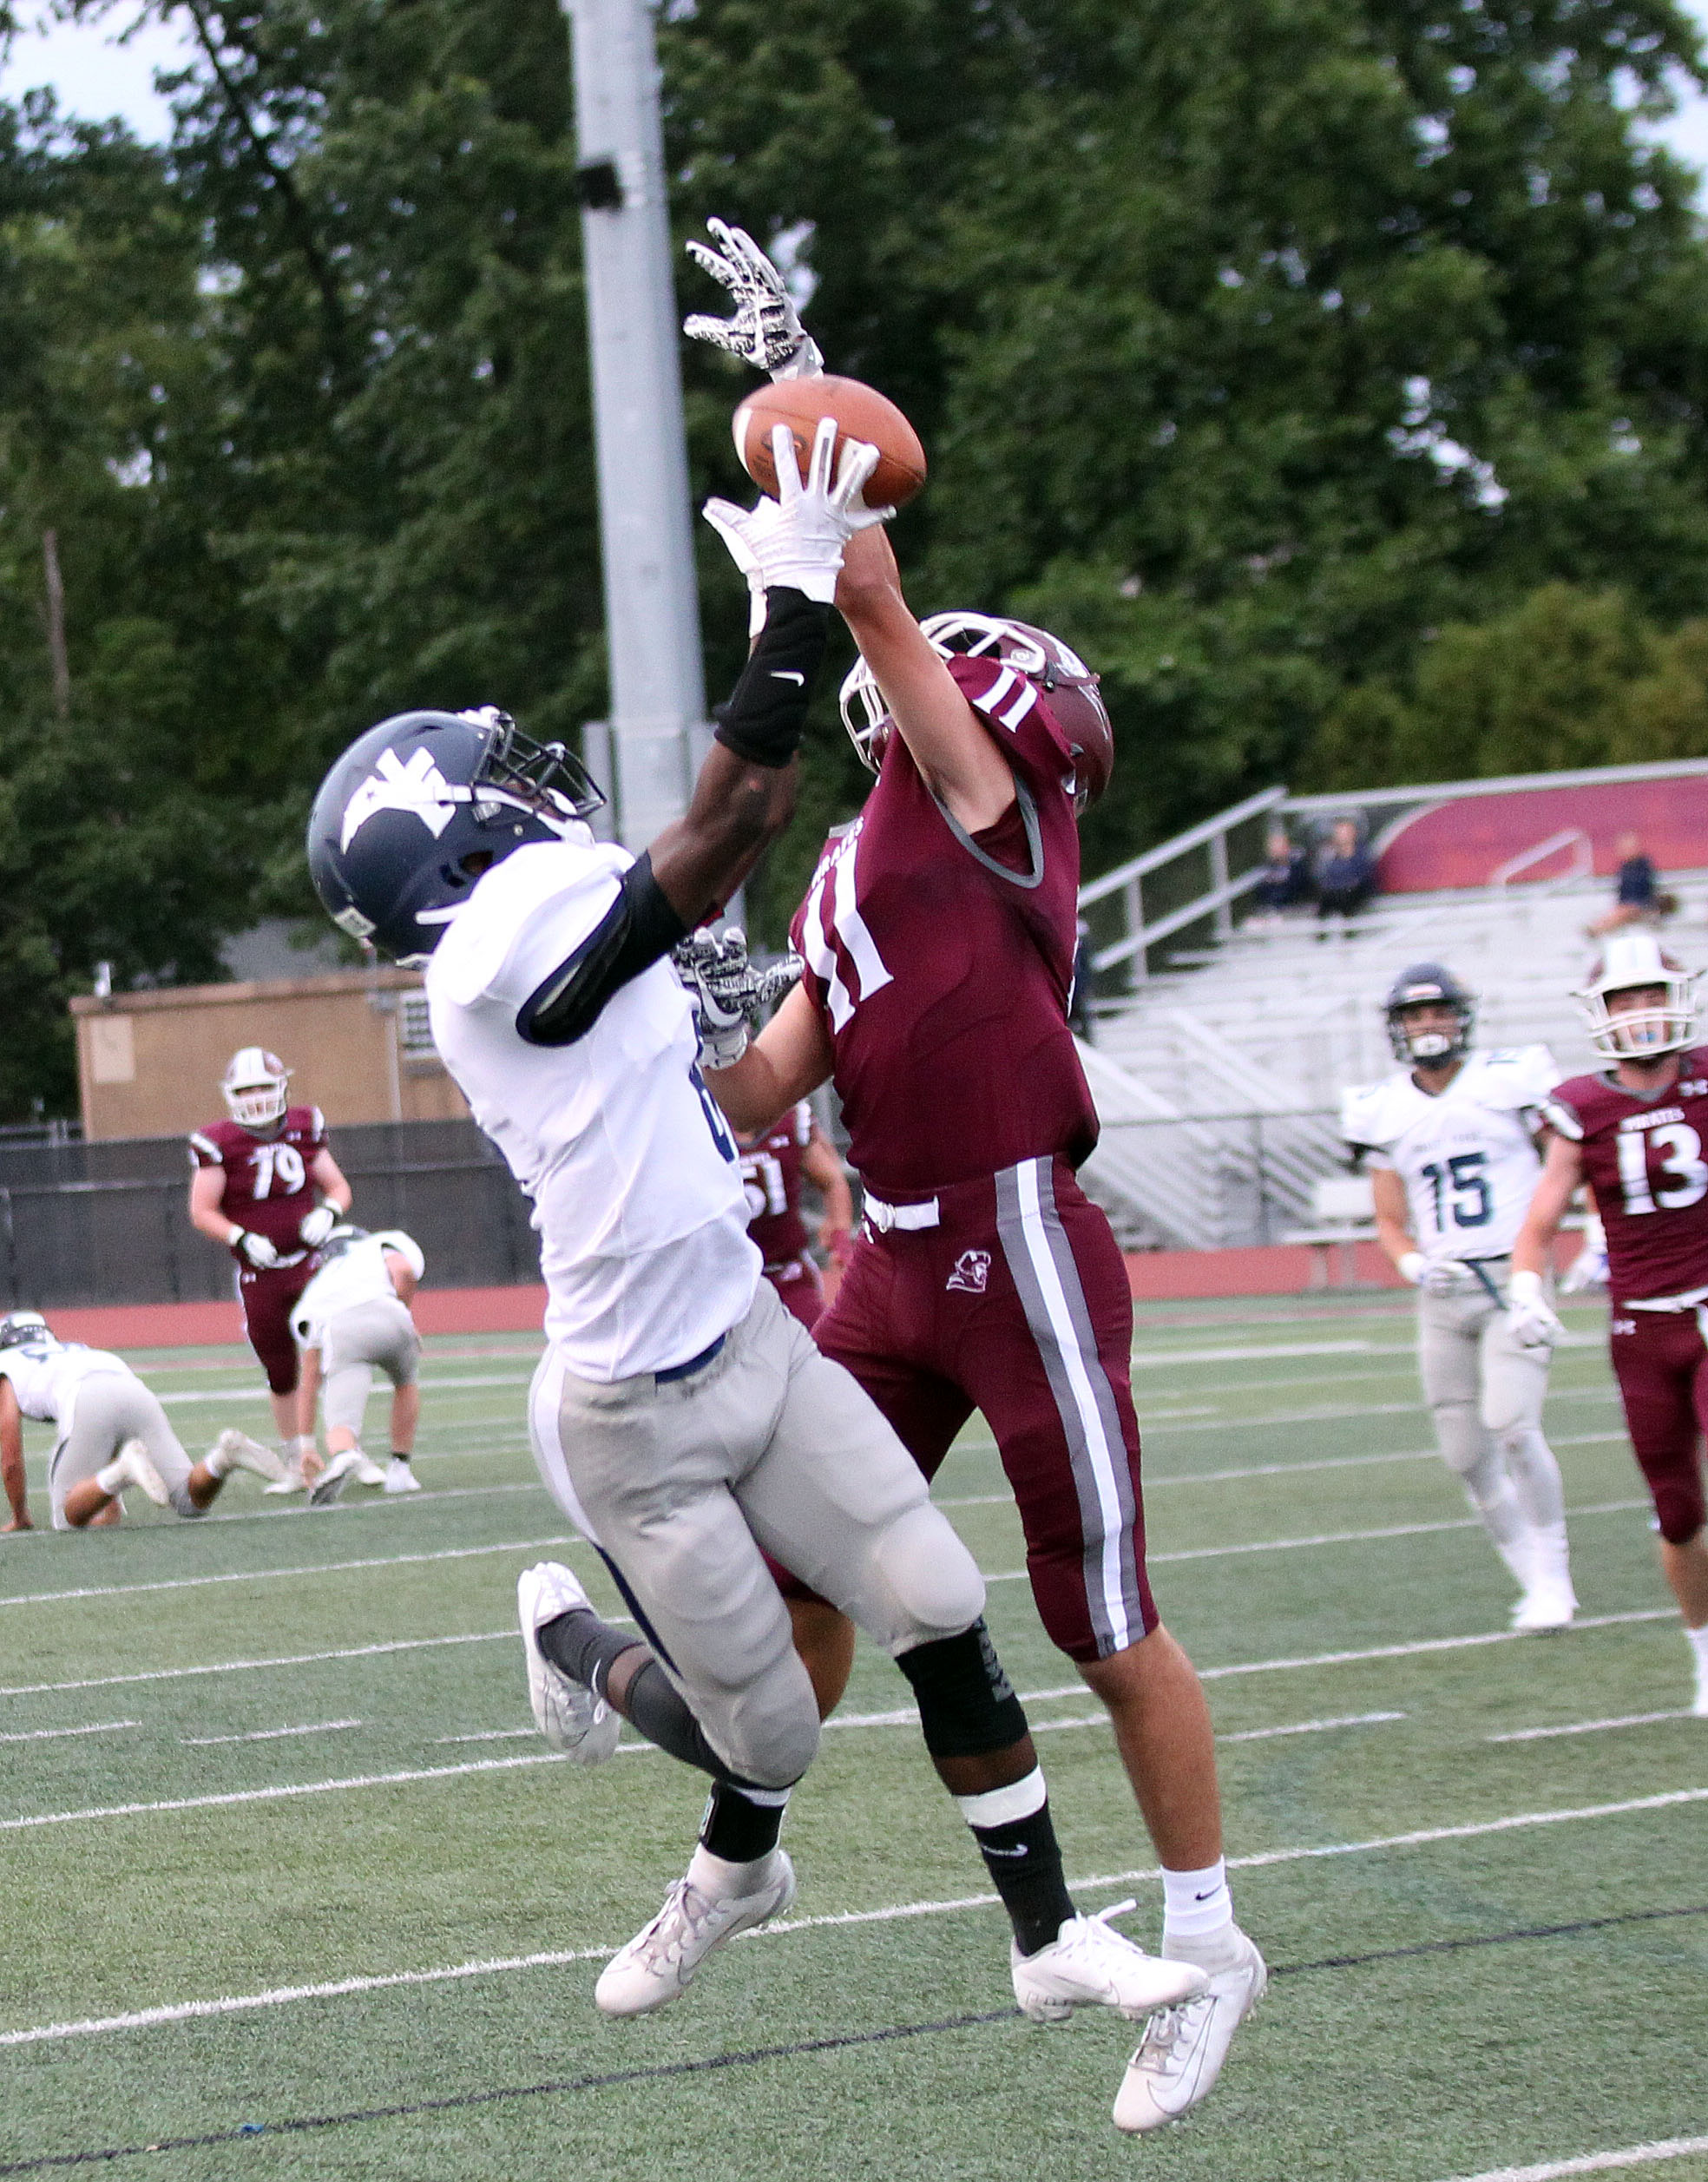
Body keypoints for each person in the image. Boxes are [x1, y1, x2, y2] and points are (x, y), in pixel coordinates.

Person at [305, 416, 1202, 2058]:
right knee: (771, 1732)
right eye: (490, 777)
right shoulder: (490, 945)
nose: (528, 784)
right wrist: (793, 601)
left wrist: (802, 612)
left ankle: (1049, 1932)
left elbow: (737, 896)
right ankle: (578, 1647)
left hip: (754, 1331)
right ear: (444, 833)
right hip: (631, 1407)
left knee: (936, 1594)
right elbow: (730, 817)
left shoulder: (561, 890)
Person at [677, 227, 1258, 2136]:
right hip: (886, 1266)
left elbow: (876, 603)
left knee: (1097, 1614)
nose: (903, 715)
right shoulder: (854, 866)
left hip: (1017, 1235)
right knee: (799, 1570)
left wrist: (807, 394)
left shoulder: (1000, 814)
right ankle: (742, 1846)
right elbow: (777, 1086)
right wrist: (660, 1035)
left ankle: (1209, 1937)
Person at [1342, 965, 1573, 1629]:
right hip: (1442, 1290)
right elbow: (1389, 1218)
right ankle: (1530, 1579)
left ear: (1462, 1018)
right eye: (1415, 1017)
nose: (1429, 1026)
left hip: (1511, 1276)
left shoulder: (1510, 1080)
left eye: (1439, 1012)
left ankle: (1556, 1577)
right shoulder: (1384, 1107)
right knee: (1465, 1454)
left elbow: (1562, 1167)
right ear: (1398, 1028)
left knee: (1513, 1424)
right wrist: (1412, 1264)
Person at [1512, 931, 1708, 1716]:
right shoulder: (1581, 1108)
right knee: (1677, 1509)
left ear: (1677, 997)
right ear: (1600, 1013)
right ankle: (1703, 1656)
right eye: (1626, 999)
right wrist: (1529, 1289)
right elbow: (1540, 1220)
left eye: (1653, 994)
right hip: (1642, 1329)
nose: (1642, 1011)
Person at [188, 1048, 352, 1483]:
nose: (256, 1097)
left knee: (336, 1353)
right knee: (280, 1369)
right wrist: (239, 1236)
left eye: (263, 1086)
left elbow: (337, 1186)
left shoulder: (304, 1126)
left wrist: (329, 1212)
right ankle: (297, 1460)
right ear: (230, 1095)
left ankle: (344, 1448)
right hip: (259, 1273)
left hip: (310, 1263)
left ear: (282, 1087)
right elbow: (202, 1211)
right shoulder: (218, 1141)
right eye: (246, 1090)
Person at [0, 1309, 282, 1530]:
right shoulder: (75, 1349)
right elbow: (105, 1435)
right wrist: (109, 1508)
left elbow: (10, 1455)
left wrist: (20, 1516)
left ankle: (123, 1471)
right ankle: (223, 1458)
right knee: (188, 1501)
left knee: (66, 1516)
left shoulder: (8, 1365)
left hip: (85, 1396)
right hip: (131, 1386)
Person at [289, 1225, 426, 1505]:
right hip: (391, 1313)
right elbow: (404, 1272)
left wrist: (305, 1446)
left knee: (340, 1423)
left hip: (342, 1329)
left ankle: (345, 1454)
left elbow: (310, 1378)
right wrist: (404, 1314)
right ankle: (400, 1470)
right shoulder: (380, 1246)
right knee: (405, 1382)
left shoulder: (316, 1289)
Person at [1586, 830, 1663, 938]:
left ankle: (1597, 929)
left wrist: (1629, 905)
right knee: (1619, 912)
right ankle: (1600, 928)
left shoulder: (1643, 866)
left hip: (1643, 905)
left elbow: (1645, 891)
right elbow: (1622, 893)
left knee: (1623, 912)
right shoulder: (1624, 868)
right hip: (1627, 906)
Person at [1315, 816, 1378, 920]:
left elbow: (1364, 876)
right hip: (1334, 894)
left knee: (1347, 896)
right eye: (1339, 833)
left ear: (1353, 833)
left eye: (1345, 832)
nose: (1342, 836)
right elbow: (1321, 876)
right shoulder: (1328, 855)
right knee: (1327, 899)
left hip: (1355, 894)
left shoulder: (1363, 853)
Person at [1248, 824, 1314, 923]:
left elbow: (1299, 889)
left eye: (1280, 845)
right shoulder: (1264, 870)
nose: (1276, 849)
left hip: (1295, 912)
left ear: (1287, 846)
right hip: (1269, 913)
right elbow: (1261, 894)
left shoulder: (1299, 867)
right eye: (1273, 845)